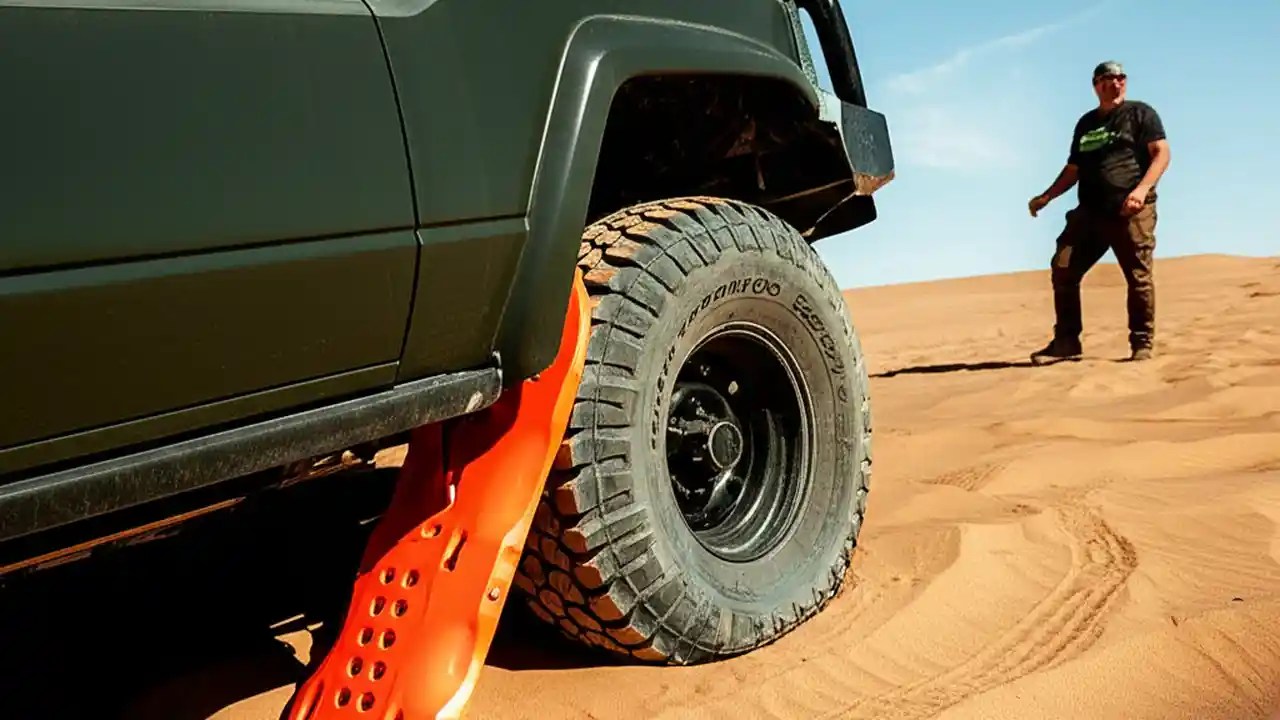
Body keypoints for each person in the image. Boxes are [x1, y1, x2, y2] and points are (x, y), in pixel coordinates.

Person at [1027, 60, 1171, 364]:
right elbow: (1073, 169)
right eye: (1108, 80)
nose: (1115, 84)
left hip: (1130, 210)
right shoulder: (1087, 124)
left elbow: (1161, 154)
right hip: (1090, 212)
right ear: (1096, 86)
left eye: (1120, 78)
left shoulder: (1140, 114)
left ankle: (1141, 343)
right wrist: (1047, 196)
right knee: (1063, 267)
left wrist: (1141, 191)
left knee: (1138, 276)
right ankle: (1066, 341)